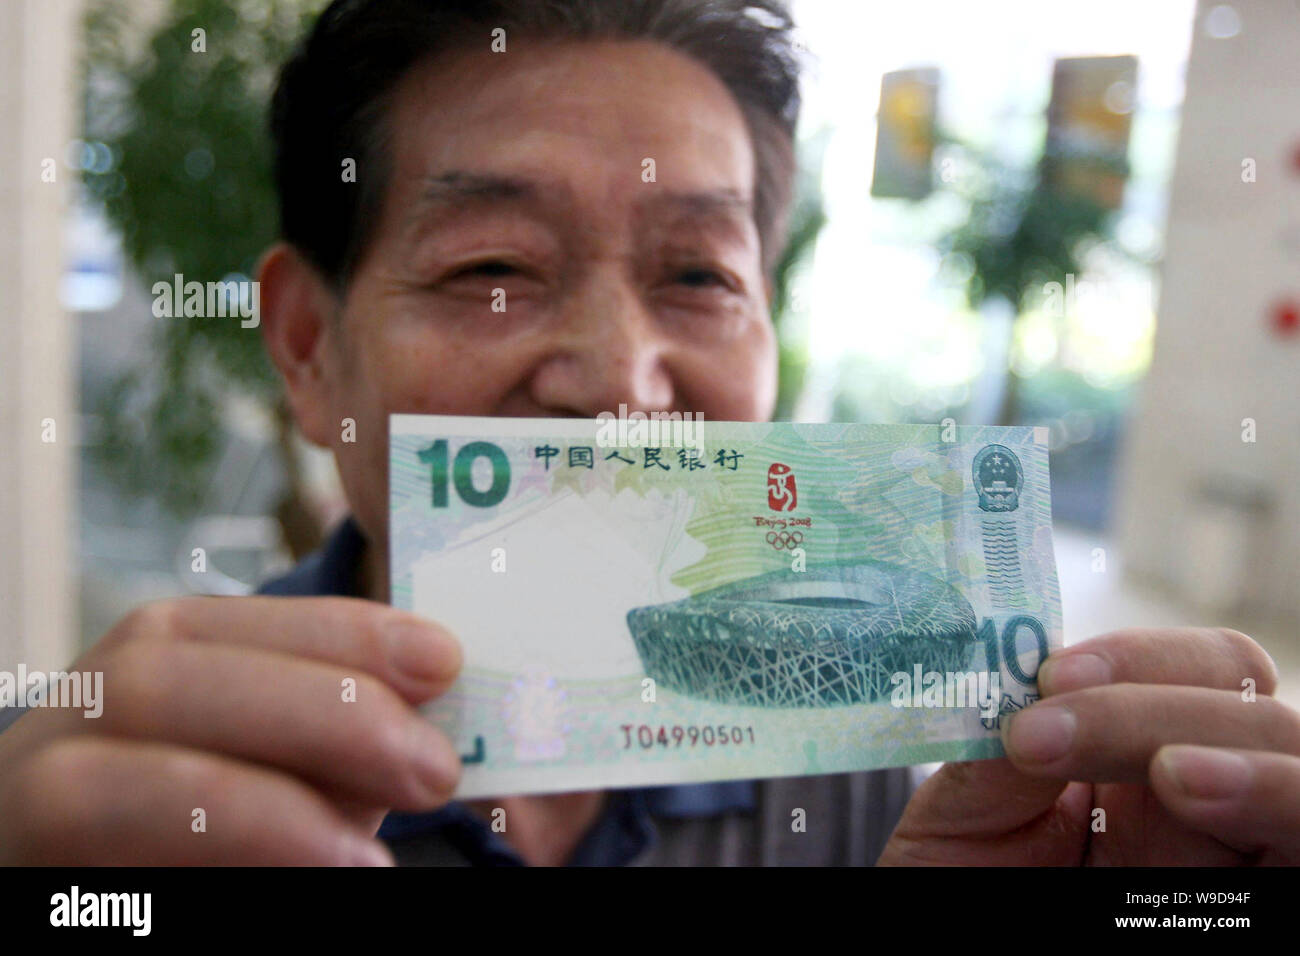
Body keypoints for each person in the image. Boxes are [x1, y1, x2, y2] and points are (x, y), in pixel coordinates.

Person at [1, 0, 1295, 866]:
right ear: (306, 348)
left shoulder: (913, 787)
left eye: (701, 278)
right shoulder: (159, 806)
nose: (621, 387)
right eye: (493, 268)